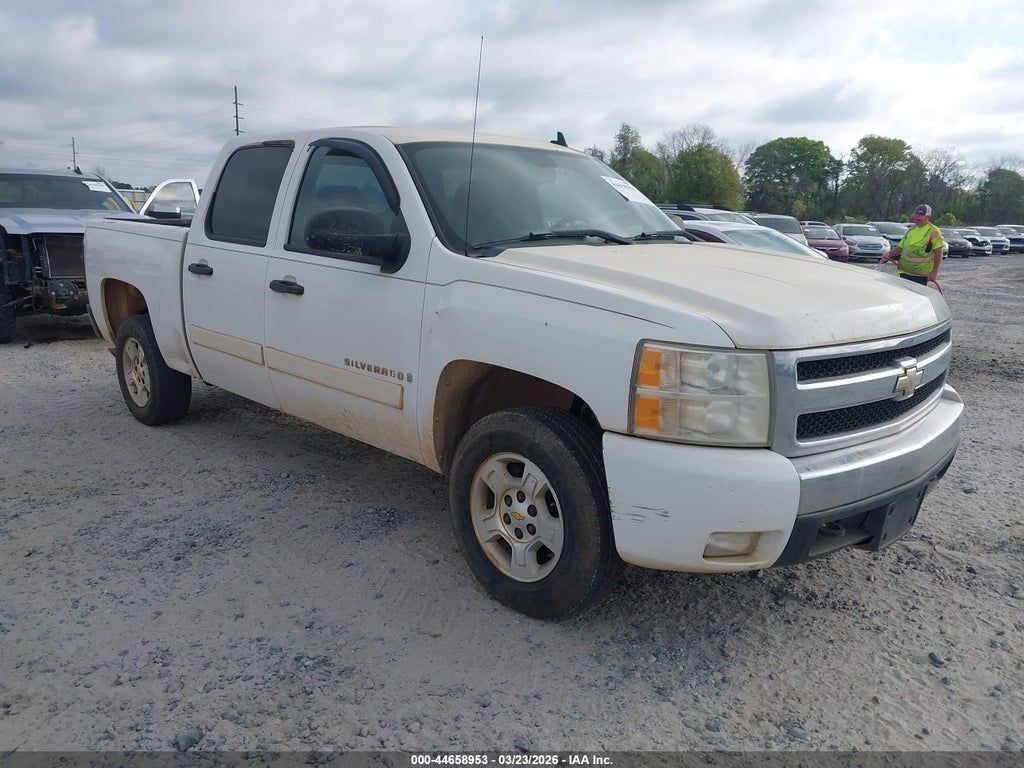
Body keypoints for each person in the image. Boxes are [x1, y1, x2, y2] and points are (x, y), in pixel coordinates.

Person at [884, 204, 945, 291]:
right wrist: (889, 254)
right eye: (916, 216)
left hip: (919, 275)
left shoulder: (933, 231)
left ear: (928, 217)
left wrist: (934, 272)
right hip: (904, 272)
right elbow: (900, 248)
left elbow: (938, 253)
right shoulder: (911, 230)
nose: (917, 219)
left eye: (920, 217)